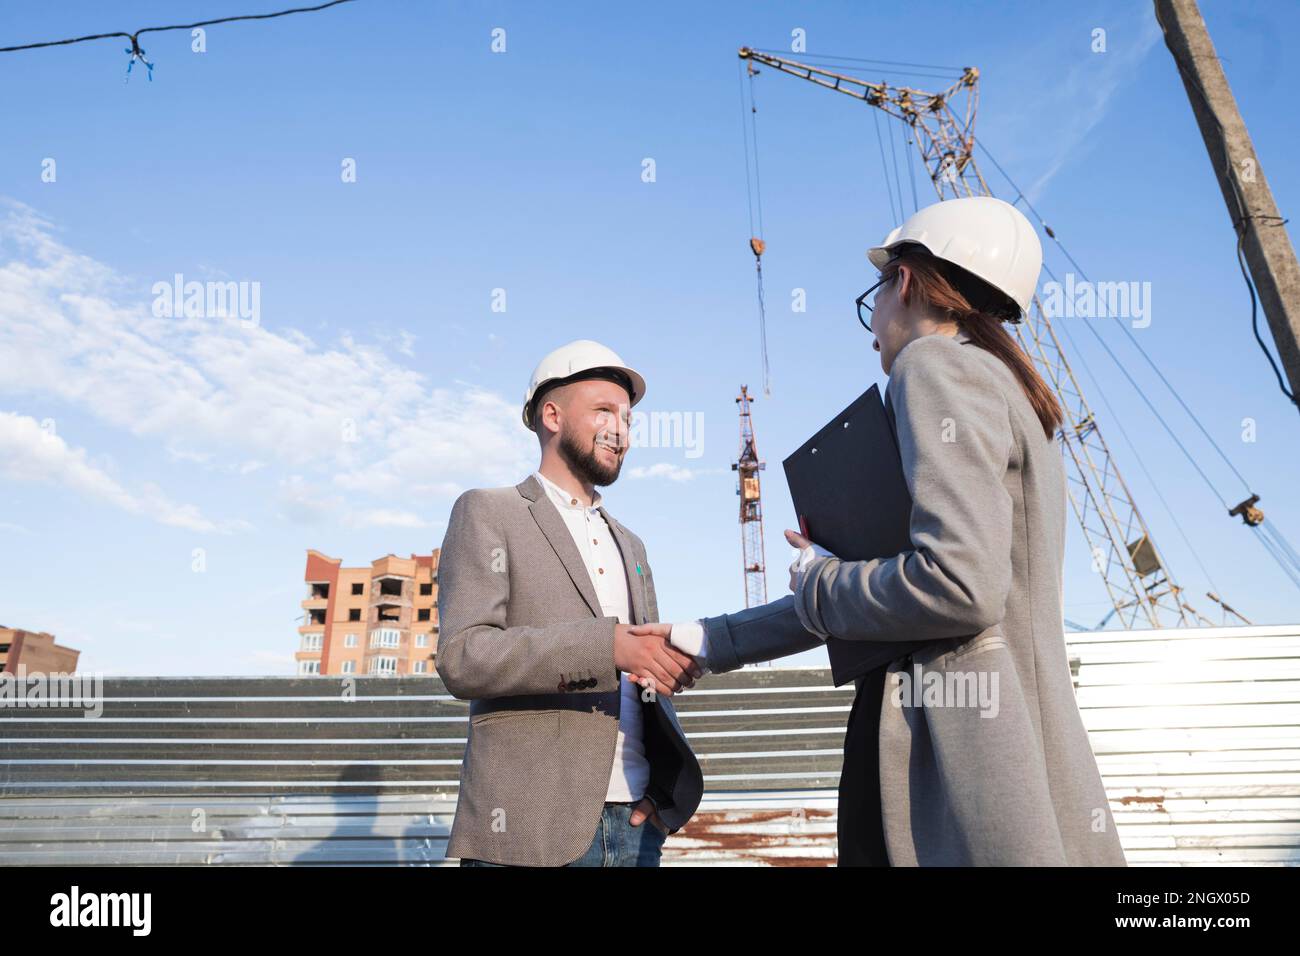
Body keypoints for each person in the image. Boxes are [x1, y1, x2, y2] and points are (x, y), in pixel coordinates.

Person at [632, 197, 1127, 866]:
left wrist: (822, 577)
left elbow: (957, 587)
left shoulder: (933, 367)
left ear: (904, 281)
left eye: (875, 299)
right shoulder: (1010, 385)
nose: (874, 331)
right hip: (1017, 744)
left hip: (954, 746)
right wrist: (711, 639)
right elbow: (891, 588)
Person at [437, 339, 704, 867]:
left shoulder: (632, 544)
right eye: (604, 410)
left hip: (635, 823)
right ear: (551, 415)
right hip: (528, 826)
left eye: (627, 418)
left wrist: (662, 670)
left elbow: (635, 670)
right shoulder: (488, 511)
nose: (621, 430)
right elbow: (463, 657)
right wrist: (605, 646)